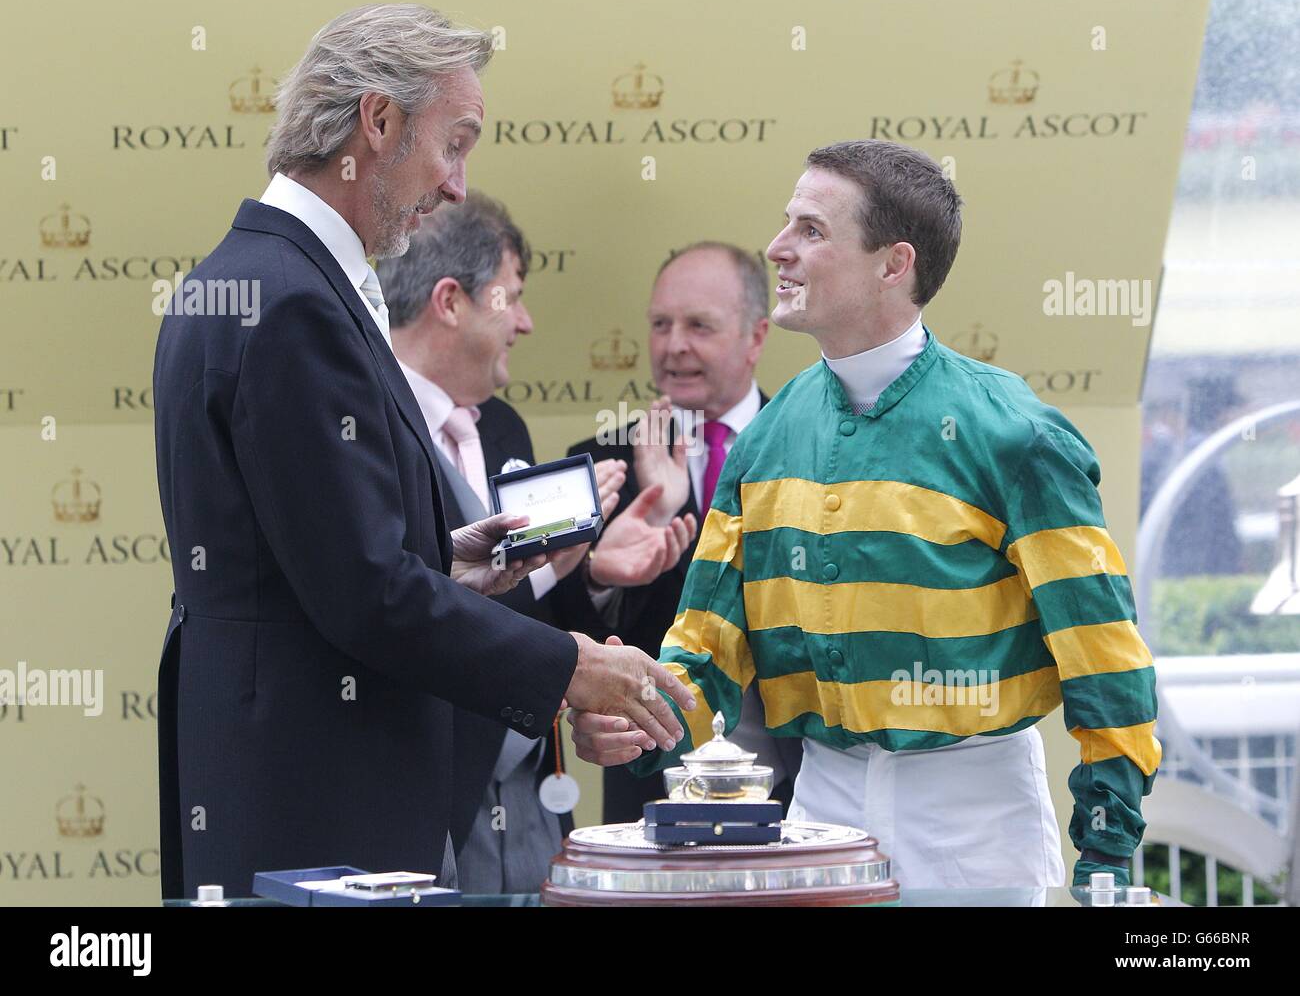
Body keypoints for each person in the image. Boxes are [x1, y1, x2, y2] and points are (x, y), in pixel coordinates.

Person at [152, 4, 691, 899]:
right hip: (319, 810)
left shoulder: (251, 277)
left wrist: (448, 562)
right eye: (455, 143)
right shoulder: (294, 303)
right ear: (378, 122)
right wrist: (576, 666)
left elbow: (310, 562)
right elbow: (362, 596)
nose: (455, 186)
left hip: (287, 788)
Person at [570, 140, 1161, 890]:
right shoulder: (765, 440)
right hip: (819, 809)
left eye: (811, 230)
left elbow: (1104, 655)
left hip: (977, 824)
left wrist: (1106, 849)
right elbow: (706, 652)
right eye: (787, 224)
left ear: (894, 264)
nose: (778, 249)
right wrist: (637, 725)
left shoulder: (1014, 431)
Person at [379, 192, 696, 891]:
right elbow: (396, 603)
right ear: (451, 301)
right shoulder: (364, 428)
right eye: (512, 297)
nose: (526, 321)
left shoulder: (503, 429)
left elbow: (510, 606)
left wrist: (590, 575)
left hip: (525, 799)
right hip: (413, 798)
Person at [553, 242, 802, 822]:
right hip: (652, 787)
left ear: (756, 337)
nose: (674, 346)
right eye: (661, 325)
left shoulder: (808, 449)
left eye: (699, 326)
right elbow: (565, 632)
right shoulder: (600, 461)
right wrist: (605, 571)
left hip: (801, 784)